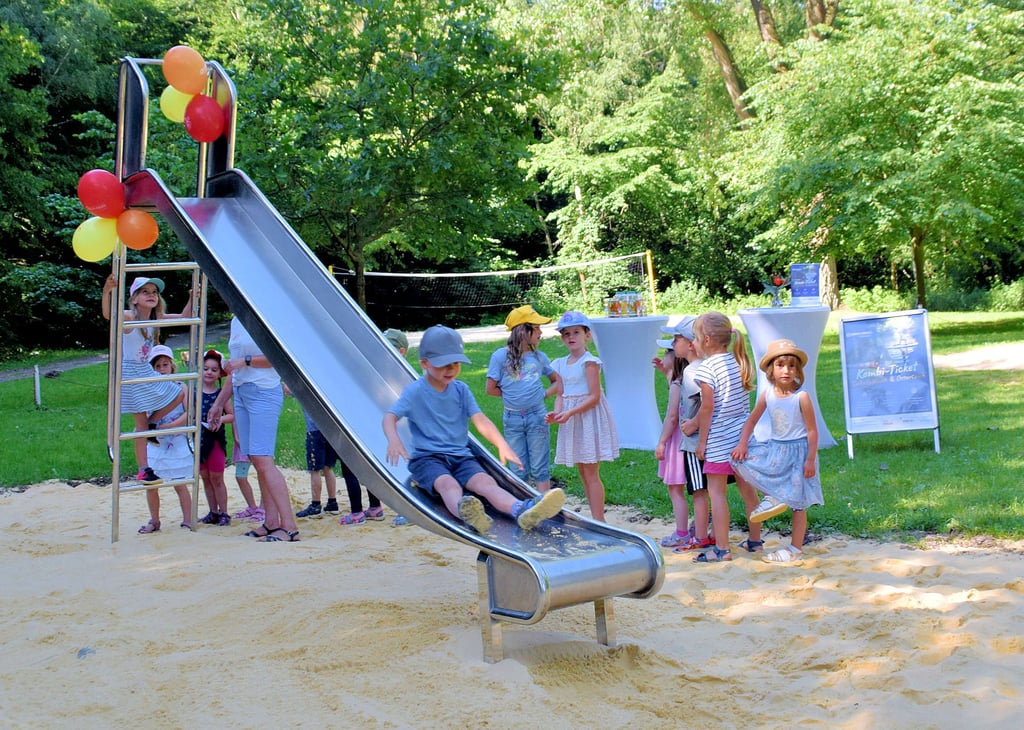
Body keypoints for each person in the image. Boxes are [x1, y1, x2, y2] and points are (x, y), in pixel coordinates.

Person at [383, 325, 565, 534]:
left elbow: (480, 420)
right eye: (443, 365)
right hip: (428, 459)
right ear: (424, 363)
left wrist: (501, 444)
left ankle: (521, 510)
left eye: (455, 363)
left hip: (461, 457)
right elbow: (390, 417)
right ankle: (467, 515)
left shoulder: (461, 390)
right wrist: (394, 440)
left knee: (486, 482)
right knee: (448, 485)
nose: (450, 369)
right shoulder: (415, 391)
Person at [731, 339, 824, 564]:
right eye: (781, 365)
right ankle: (772, 497)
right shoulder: (768, 395)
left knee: (798, 505)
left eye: (792, 366)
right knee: (739, 461)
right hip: (776, 449)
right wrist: (742, 443)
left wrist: (810, 459)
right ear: (771, 370)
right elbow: (751, 421)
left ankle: (795, 548)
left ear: (798, 371)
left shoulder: (801, 397)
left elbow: (812, 431)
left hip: (799, 454)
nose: (786, 370)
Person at [208, 317, 299, 543]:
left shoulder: (266, 315)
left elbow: (278, 357)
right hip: (241, 392)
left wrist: (246, 361)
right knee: (255, 458)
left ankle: (289, 527)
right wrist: (219, 404)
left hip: (264, 392)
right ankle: (271, 522)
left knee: (263, 458)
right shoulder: (236, 321)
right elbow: (233, 371)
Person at [102, 275, 192, 485]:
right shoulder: (130, 317)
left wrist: (192, 297)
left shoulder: (154, 319)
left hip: (145, 370)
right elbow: (109, 315)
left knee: (179, 391)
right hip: (131, 372)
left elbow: (183, 317)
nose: (151, 295)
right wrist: (107, 291)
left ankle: (151, 424)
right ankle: (144, 469)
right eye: (145, 292)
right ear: (134, 298)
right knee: (140, 424)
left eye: (154, 292)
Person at [690, 311, 762, 563]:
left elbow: (707, 408)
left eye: (696, 338)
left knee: (717, 494)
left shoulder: (707, 368)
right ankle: (755, 541)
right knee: (748, 492)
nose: (694, 344)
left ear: (707, 339)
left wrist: (702, 441)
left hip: (719, 440)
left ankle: (722, 548)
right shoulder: (737, 361)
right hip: (742, 439)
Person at [546, 311, 619, 521]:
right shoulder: (559, 363)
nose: (571, 337)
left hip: (588, 418)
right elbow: (561, 393)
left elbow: (595, 396)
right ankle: (596, 517)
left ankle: (600, 520)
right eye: (566, 333)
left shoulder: (590, 362)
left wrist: (570, 412)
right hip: (572, 419)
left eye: (576, 332)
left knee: (591, 471)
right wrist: (557, 412)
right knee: (583, 472)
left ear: (587, 335)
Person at [486, 305, 560, 492]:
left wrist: (543, 394)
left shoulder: (539, 357)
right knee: (518, 467)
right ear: (522, 330)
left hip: (537, 416)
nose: (540, 332)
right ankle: (523, 507)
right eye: (536, 328)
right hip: (512, 419)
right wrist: (512, 395)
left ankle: (544, 506)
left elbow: (556, 382)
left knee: (540, 467)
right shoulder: (500, 356)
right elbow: (490, 389)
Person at [653, 317, 709, 550]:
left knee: (679, 489)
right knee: (700, 489)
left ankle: (684, 532)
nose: (670, 348)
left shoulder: (680, 382)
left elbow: (672, 416)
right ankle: (698, 528)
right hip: (690, 440)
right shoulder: (683, 377)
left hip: (681, 442)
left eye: (673, 343)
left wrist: (662, 442)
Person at [137, 345, 193, 534]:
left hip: (175, 438)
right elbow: (143, 415)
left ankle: (188, 519)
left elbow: (189, 414)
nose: (162, 369)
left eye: (165, 365)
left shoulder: (180, 386)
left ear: (172, 366)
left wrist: (170, 427)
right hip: (156, 442)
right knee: (151, 485)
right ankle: (154, 520)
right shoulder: (149, 389)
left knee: (179, 483)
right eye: (158, 366)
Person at [197, 349, 233, 527]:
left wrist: (219, 420)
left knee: (217, 476)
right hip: (199, 440)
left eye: (213, 369)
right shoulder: (195, 392)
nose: (209, 372)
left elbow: (232, 415)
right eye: (205, 368)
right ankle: (213, 511)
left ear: (220, 374)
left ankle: (224, 512)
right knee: (205, 476)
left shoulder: (221, 394)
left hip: (216, 439)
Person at [231, 439, 264, 521]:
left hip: (258, 444)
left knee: (263, 475)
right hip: (242, 446)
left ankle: (263, 508)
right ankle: (252, 506)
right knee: (240, 476)